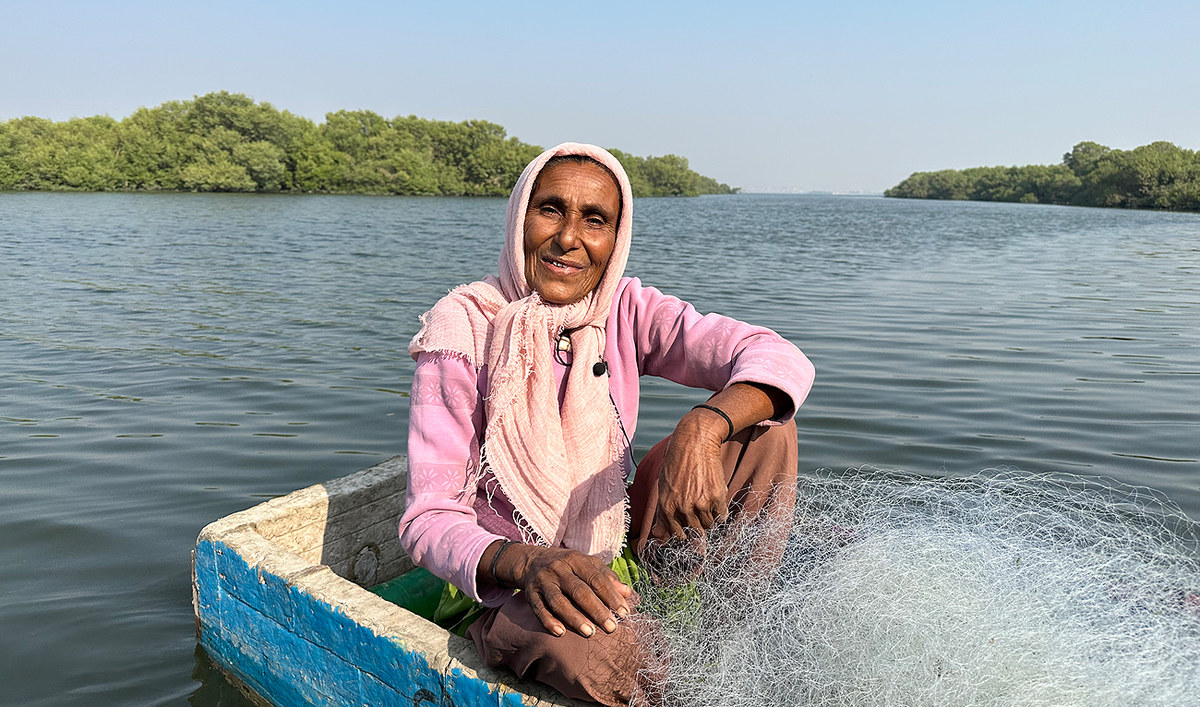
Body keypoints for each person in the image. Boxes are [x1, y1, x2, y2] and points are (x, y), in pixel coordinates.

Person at [400, 142, 814, 705]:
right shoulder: (464, 328)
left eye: (594, 220)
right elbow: (427, 518)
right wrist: (529, 562)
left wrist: (704, 424)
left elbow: (778, 356)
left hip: (611, 547)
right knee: (614, 659)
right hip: (506, 584)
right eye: (550, 210)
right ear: (520, 216)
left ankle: (727, 617)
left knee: (766, 430)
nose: (568, 238)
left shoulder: (621, 308)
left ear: (615, 240)